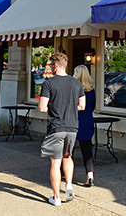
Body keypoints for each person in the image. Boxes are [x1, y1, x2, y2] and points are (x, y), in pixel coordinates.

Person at [38, 52, 85, 206]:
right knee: (68, 156)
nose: (50, 67)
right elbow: (82, 106)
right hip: (72, 127)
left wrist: (54, 107)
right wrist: (69, 108)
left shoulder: (49, 84)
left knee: (55, 162)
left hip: (56, 127)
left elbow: (42, 108)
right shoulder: (77, 83)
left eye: (51, 64)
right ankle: (69, 185)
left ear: (56, 66)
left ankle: (56, 197)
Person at [73, 65, 95, 187]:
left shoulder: (73, 89)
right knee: (87, 151)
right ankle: (90, 176)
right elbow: (92, 107)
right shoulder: (91, 91)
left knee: (68, 150)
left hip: (73, 122)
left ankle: (65, 173)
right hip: (87, 122)